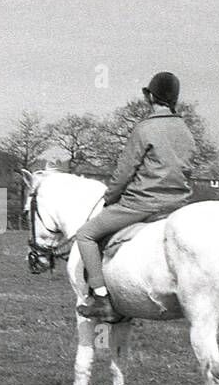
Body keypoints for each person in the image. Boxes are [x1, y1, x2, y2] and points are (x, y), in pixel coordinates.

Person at [75, 72, 197, 323]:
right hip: (178, 205)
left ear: (150, 96)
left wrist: (110, 197)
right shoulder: (186, 131)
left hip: (141, 204)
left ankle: (101, 299)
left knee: (85, 234)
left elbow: (125, 172)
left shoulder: (145, 128)